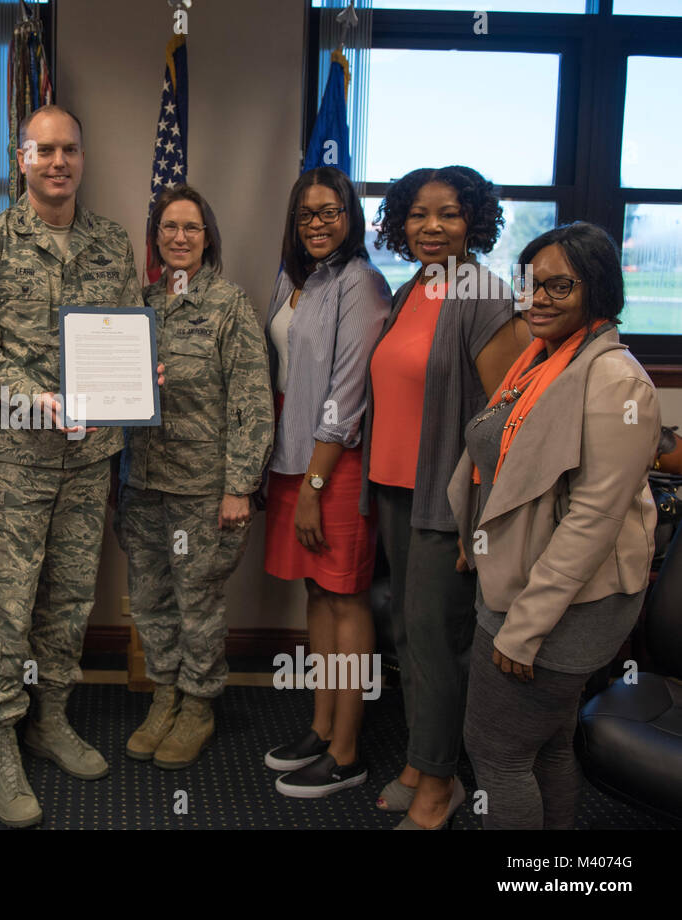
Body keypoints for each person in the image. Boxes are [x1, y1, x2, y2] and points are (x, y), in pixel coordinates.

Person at [0, 104, 142, 827]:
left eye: (69, 150)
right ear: (22, 160)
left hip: (91, 458)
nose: (58, 162)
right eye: (45, 151)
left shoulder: (111, 243)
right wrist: (36, 400)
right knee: (6, 604)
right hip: (18, 457)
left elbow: (123, 334)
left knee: (68, 599)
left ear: (81, 159)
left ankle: (50, 717)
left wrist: (137, 377)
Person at [451, 222, 659, 829]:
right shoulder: (544, 359)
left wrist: (524, 630)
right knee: (542, 746)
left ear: (597, 288)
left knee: (496, 753)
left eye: (558, 286)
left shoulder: (616, 381)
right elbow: (512, 471)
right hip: (521, 582)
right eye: (531, 284)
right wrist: (477, 539)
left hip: (559, 604)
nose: (537, 299)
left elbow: (593, 519)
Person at [361, 165, 530, 830]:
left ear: (474, 223)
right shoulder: (411, 290)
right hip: (396, 491)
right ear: (401, 224)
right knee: (407, 632)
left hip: (447, 502)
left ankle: (441, 786)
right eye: (418, 215)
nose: (432, 227)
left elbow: (501, 422)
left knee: (435, 642)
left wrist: (475, 522)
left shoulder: (483, 296)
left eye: (449, 215)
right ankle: (417, 760)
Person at [118, 184, 273, 769]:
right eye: (168, 228)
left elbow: (253, 403)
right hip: (143, 483)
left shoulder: (229, 305)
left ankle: (200, 704)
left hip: (203, 489)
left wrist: (239, 486)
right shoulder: (137, 306)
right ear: (155, 237)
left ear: (208, 238)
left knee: (197, 602)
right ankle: (165, 695)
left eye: (191, 228)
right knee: (151, 598)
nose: (179, 238)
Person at [259, 167, 391, 797]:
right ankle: (319, 726)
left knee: (346, 599)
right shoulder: (295, 278)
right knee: (316, 595)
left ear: (350, 217)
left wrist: (315, 484)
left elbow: (347, 391)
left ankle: (347, 751)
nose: (317, 222)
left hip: (331, 465)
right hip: (291, 456)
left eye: (329, 211)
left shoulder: (361, 283)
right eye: (306, 213)